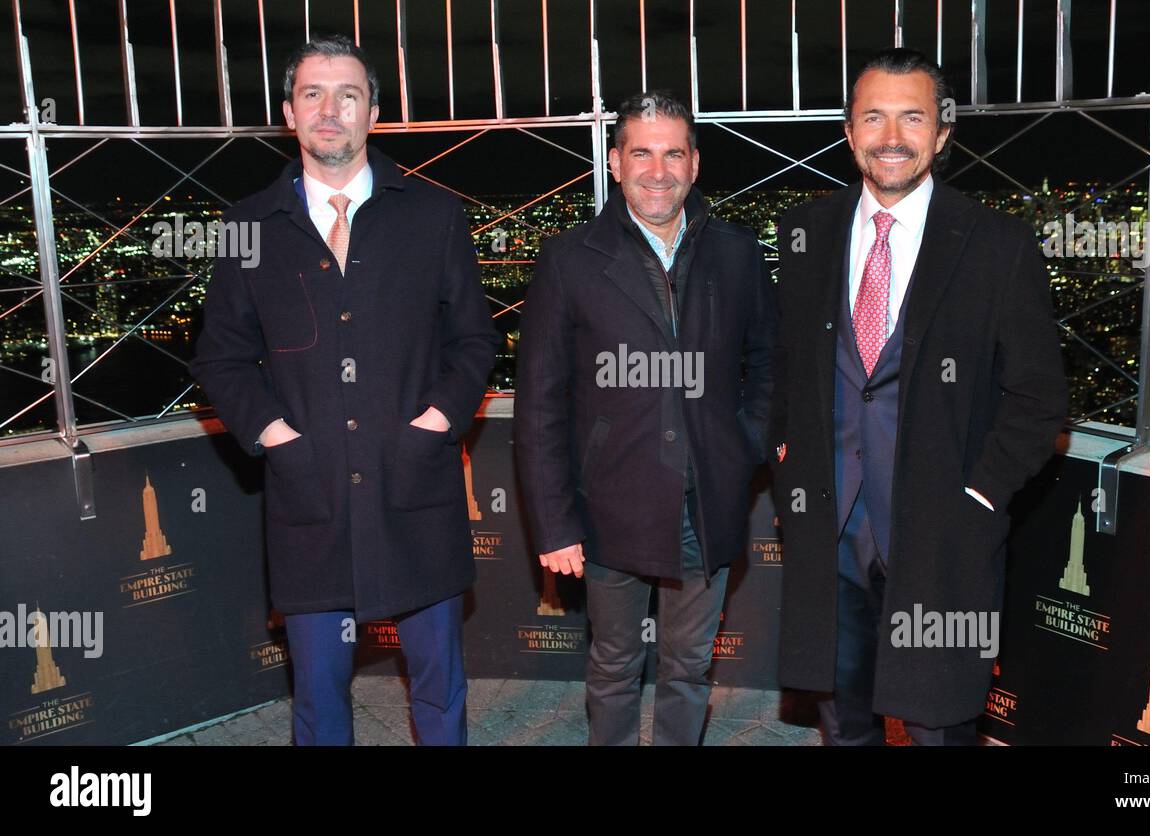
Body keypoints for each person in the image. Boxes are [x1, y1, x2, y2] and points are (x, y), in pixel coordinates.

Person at [189, 35, 498, 745]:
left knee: (440, 691)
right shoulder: (248, 227)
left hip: (415, 490)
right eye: (313, 95)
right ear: (288, 113)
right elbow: (222, 355)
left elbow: (475, 341)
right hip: (311, 496)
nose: (330, 111)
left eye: (348, 95)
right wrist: (276, 438)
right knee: (319, 702)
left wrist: (436, 422)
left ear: (374, 113)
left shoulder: (433, 214)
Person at [770, 48, 1068, 745]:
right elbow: (783, 366)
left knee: (940, 726)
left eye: (912, 116)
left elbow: (1039, 397)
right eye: (873, 117)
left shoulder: (997, 244)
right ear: (849, 133)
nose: (891, 135)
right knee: (843, 720)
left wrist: (982, 495)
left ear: (940, 133)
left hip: (944, 532)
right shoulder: (804, 232)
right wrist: (786, 459)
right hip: (831, 526)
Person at [514, 91, 776, 745]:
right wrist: (553, 523)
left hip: (705, 501)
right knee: (612, 666)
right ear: (614, 161)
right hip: (608, 504)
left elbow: (771, 364)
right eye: (641, 153)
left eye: (672, 154)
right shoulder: (568, 259)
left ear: (693, 164)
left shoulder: (738, 254)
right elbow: (540, 402)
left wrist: (741, 446)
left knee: (689, 669)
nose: (657, 171)